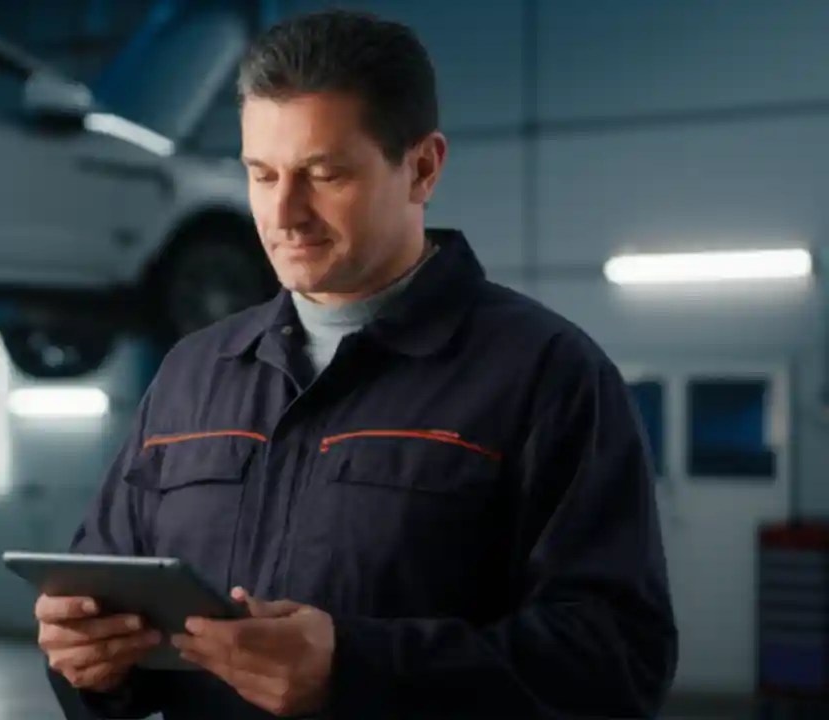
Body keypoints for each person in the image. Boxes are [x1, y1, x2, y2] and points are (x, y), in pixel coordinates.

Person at [36, 9, 678, 719]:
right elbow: (105, 621)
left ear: (423, 167)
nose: (284, 213)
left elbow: (616, 660)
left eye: (324, 174)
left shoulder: (546, 376)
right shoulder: (194, 375)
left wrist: (355, 668)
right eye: (261, 173)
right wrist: (89, 666)